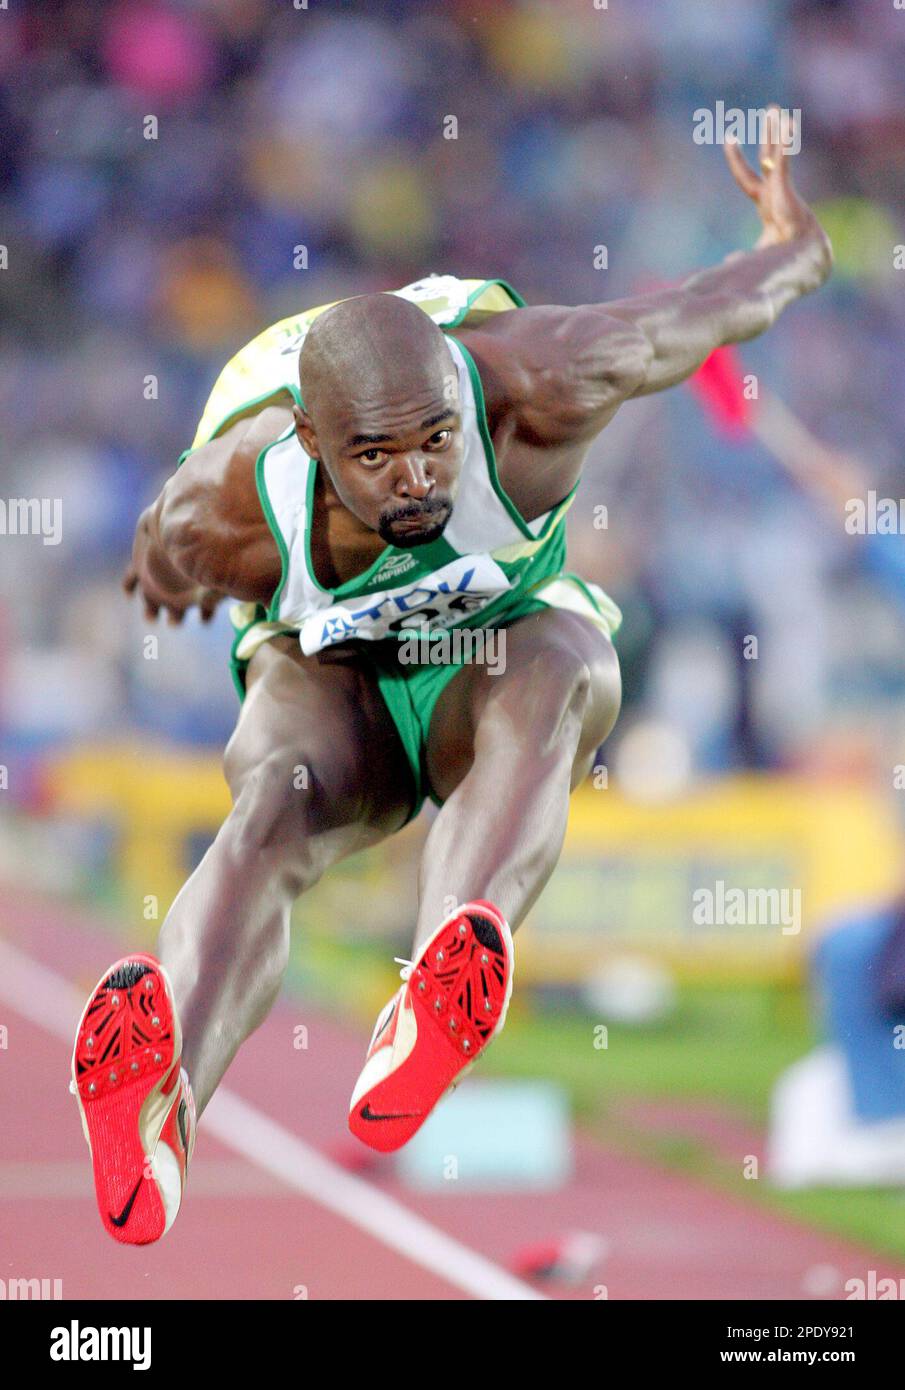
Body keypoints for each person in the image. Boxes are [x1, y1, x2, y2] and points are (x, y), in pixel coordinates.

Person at [71, 113, 832, 1243]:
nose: (420, 477)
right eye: (377, 459)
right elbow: (158, 556)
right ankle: (160, 1095)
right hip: (333, 675)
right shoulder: (230, 506)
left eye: (435, 440)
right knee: (272, 811)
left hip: (500, 645)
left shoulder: (550, 382)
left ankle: (441, 976)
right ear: (315, 451)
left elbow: (711, 310)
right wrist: (158, 582)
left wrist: (793, 240)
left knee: (572, 662)